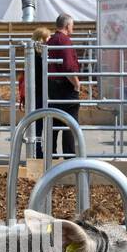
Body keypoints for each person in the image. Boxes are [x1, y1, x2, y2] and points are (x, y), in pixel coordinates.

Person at [45, 14, 82, 157]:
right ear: (67, 26)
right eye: (72, 25)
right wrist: (76, 84)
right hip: (65, 87)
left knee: (54, 121)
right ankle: (70, 156)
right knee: (70, 123)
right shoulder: (64, 40)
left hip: (53, 85)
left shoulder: (51, 40)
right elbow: (68, 67)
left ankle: (51, 154)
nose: (73, 28)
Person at [17, 27, 52, 158]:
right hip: (38, 94)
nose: (49, 41)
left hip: (35, 94)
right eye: (48, 38)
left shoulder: (33, 55)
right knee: (37, 125)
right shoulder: (39, 57)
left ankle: (36, 151)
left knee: (36, 124)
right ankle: (37, 152)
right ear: (41, 40)